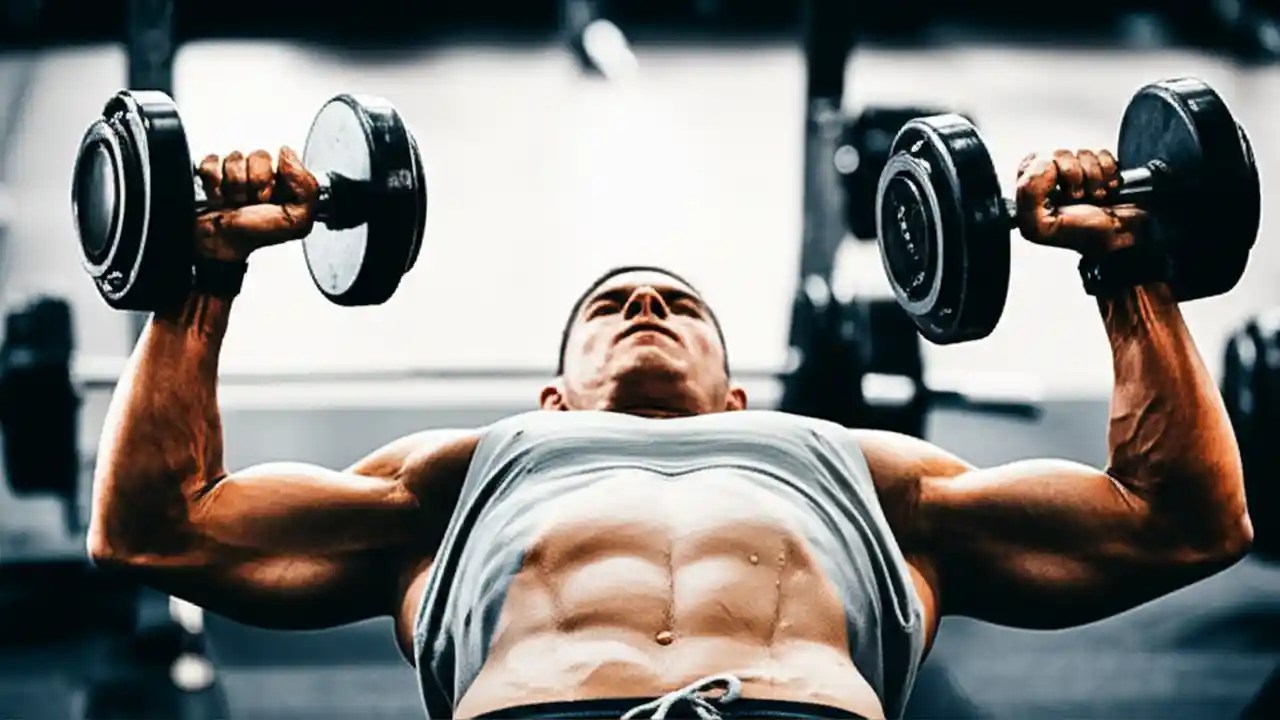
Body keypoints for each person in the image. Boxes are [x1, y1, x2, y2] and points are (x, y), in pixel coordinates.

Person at [87, 145, 1253, 720]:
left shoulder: (848, 463)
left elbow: (1175, 527)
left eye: (678, 305)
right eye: (609, 307)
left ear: (740, 395)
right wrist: (201, 276)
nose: (645, 306)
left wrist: (1128, 273)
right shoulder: (468, 467)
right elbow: (158, 533)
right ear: (550, 397)